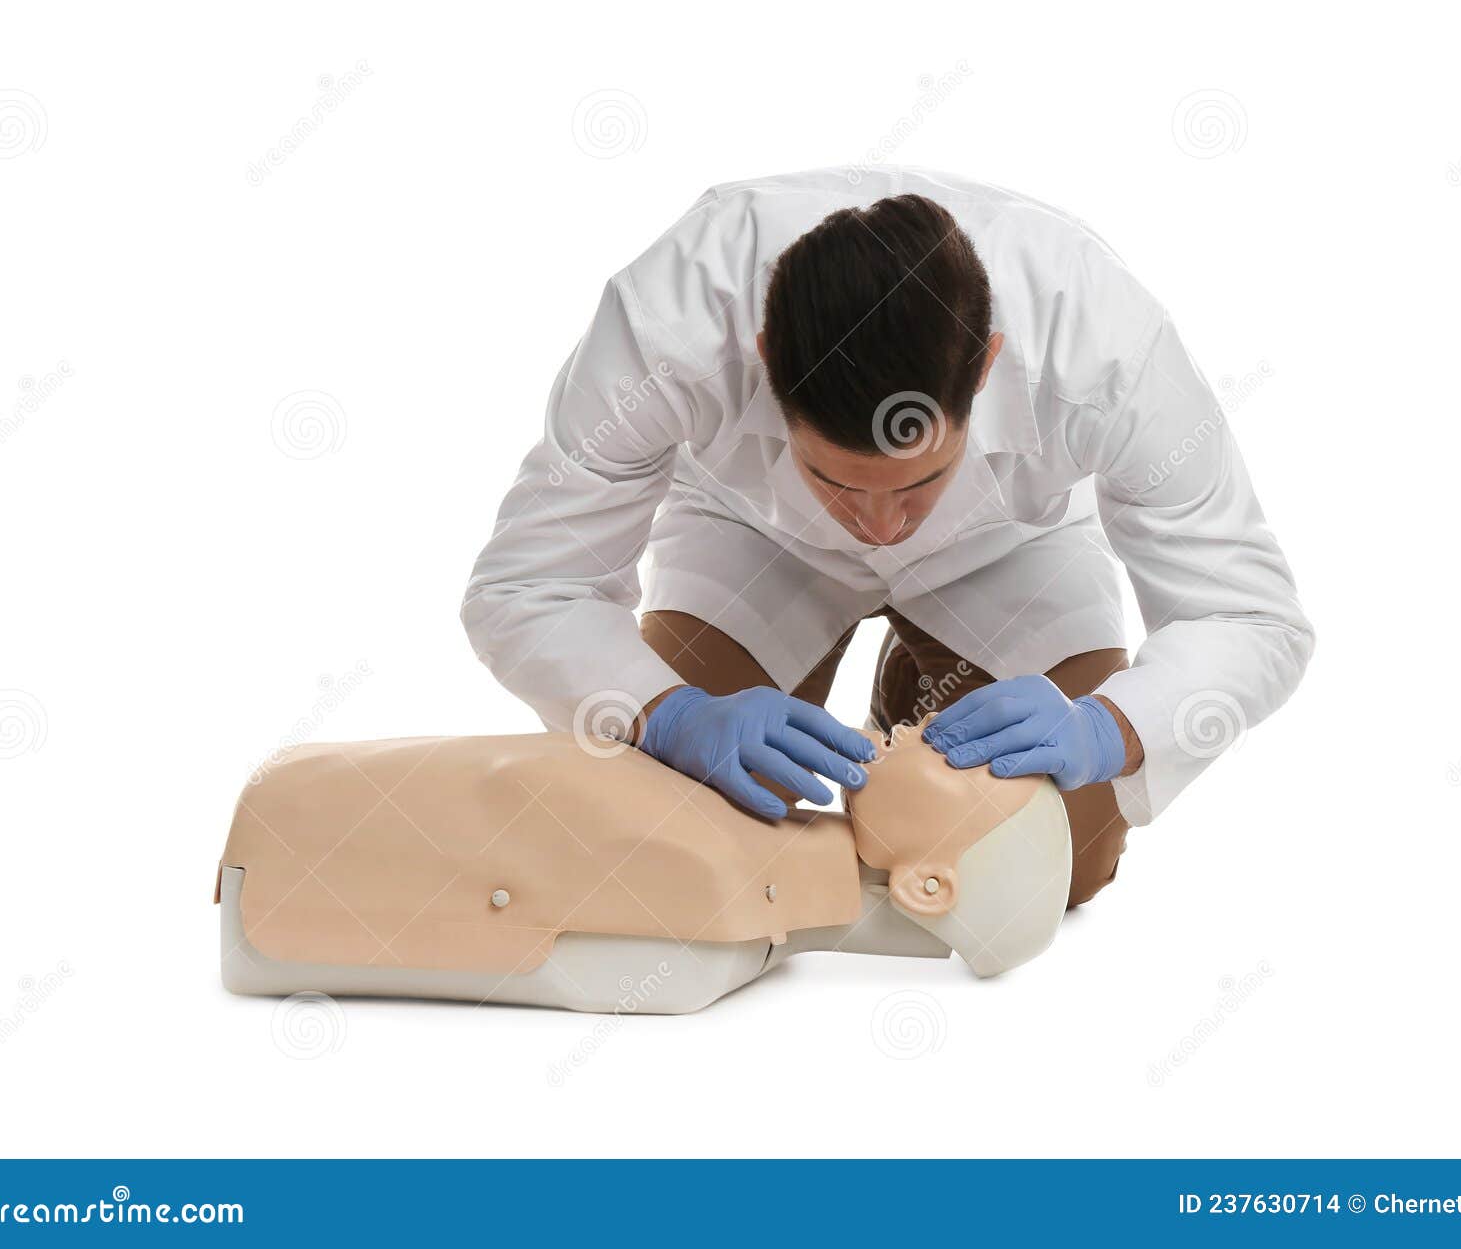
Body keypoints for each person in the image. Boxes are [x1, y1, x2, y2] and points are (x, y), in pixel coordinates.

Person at [462, 166, 1313, 907]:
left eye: (918, 482)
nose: (878, 525)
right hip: (752, 535)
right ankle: (876, 686)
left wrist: (1109, 727)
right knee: (664, 835)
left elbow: (1250, 617)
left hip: (1010, 546)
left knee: (1057, 862)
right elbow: (530, 587)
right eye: (836, 478)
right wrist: (670, 714)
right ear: (763, 359)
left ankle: (913, 686)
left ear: (984, 367)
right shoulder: (669, 324)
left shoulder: (1104, 345)